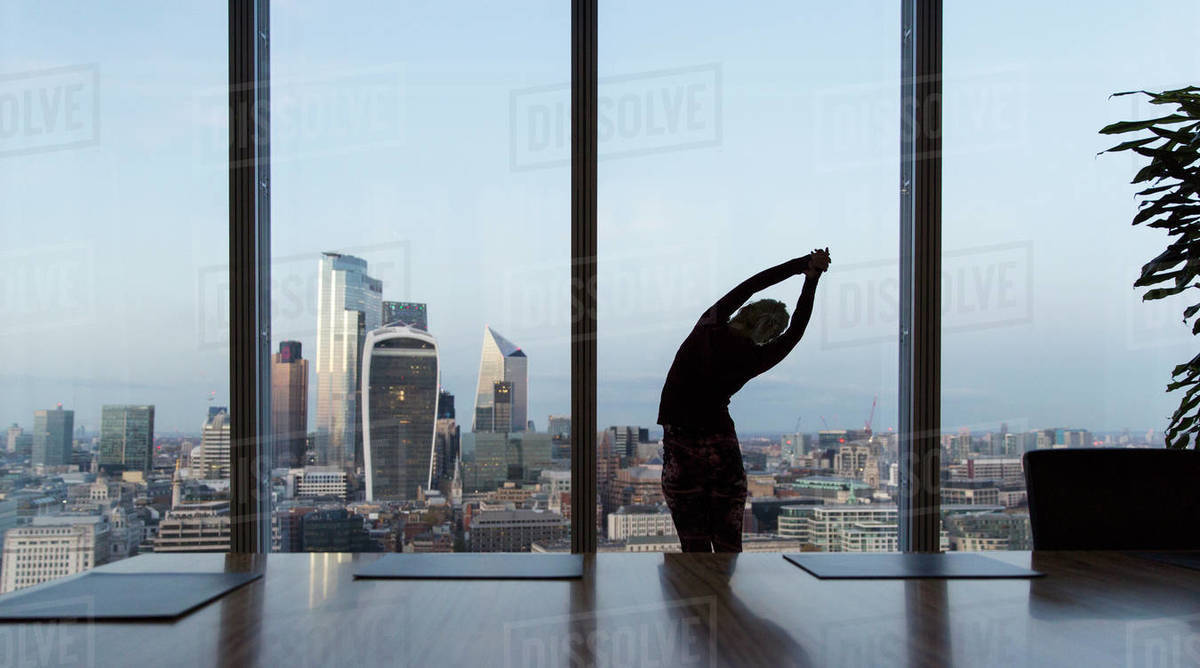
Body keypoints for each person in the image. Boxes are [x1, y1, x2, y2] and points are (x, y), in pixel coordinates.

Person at [657, 249, 831, 552]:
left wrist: (801, 265)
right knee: (727, 545)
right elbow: (796, 331)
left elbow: (752, 285)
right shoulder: (757, 356)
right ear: (768, 334)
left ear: (746, 313)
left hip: (680, 447)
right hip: (720, 445)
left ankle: (696, 598)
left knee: (694, 546)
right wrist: (811, 282)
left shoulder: (707, 326)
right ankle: (725, 598)